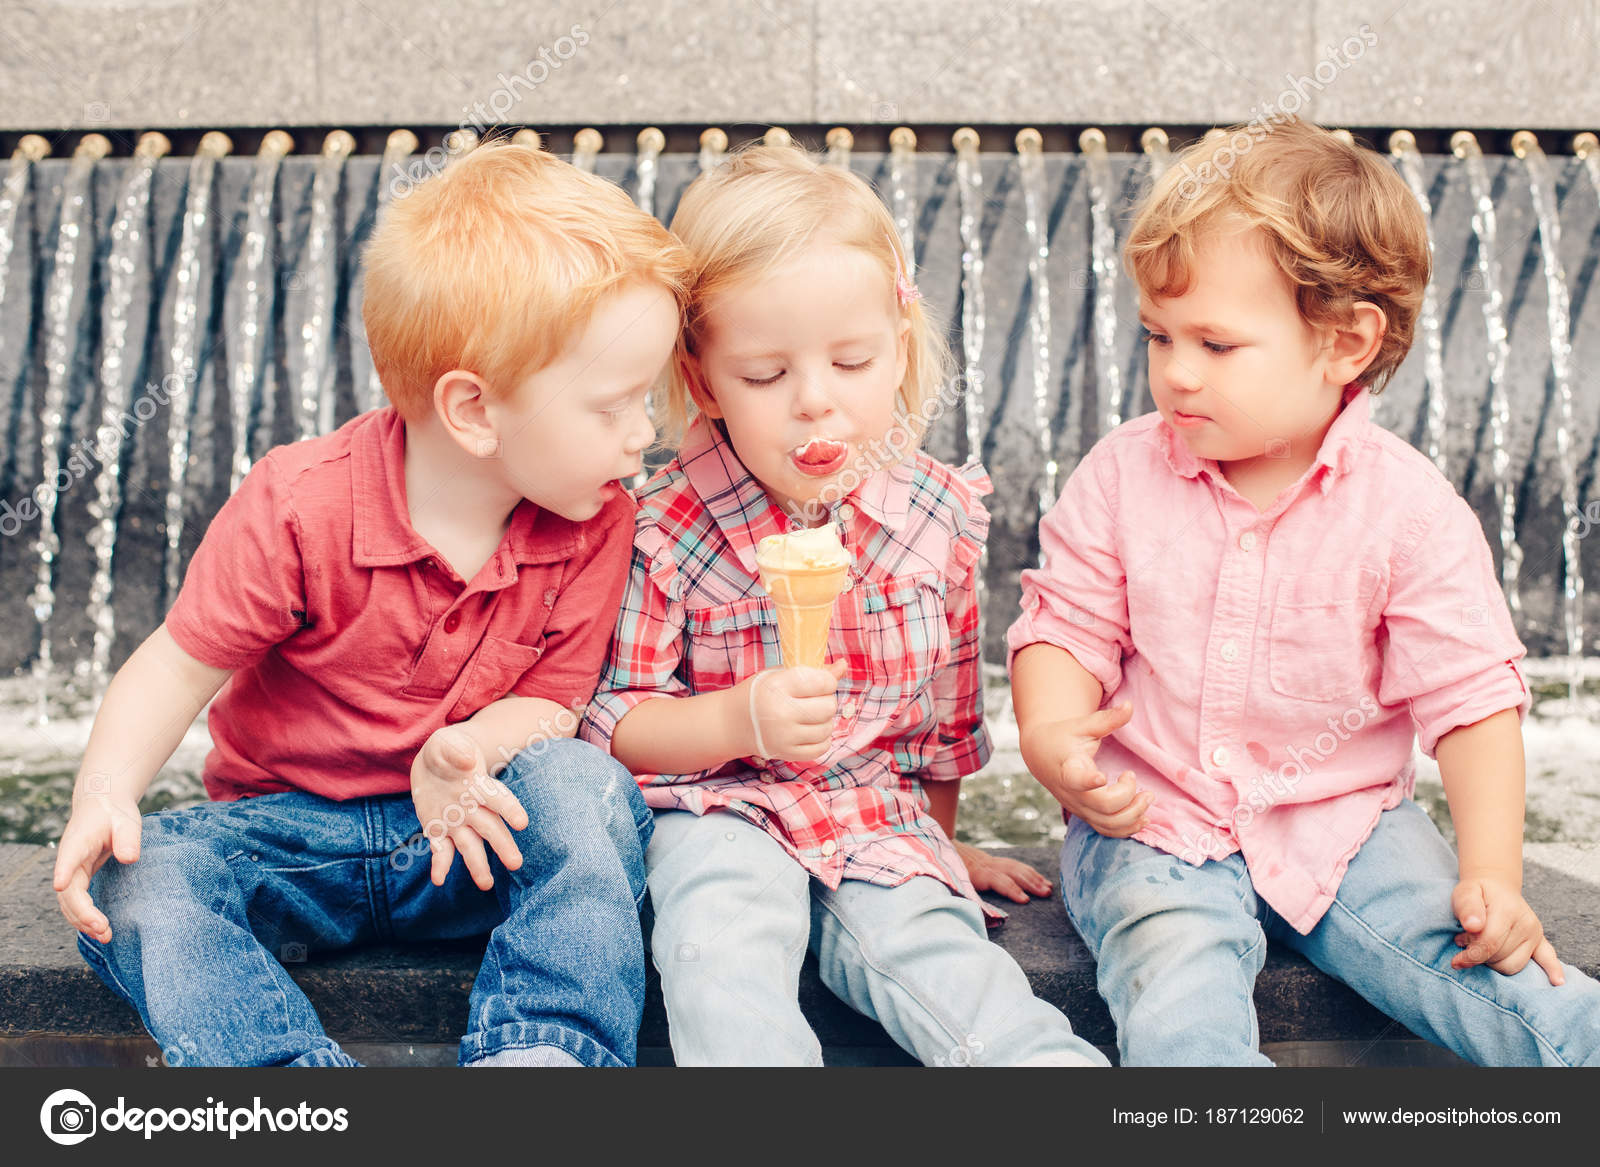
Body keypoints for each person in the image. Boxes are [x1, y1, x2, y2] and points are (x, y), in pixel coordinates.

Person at [52, 140, 692, 1067]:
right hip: (289, 837)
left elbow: (555, 704)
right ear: (475, 411)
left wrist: (468, 749)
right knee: (141, 878)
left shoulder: (595, 520)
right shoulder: (298, 506)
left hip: (475, 833)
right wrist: (105, 791)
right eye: (614, 406)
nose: (645, 435)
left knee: (584, 787)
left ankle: (545, 1053)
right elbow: (175, 667)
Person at [1009, 118, 1600, 1066]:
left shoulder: (1408, 509)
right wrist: (1050, 735)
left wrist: (1491, 873)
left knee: (1505, 981)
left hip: (1349, 824)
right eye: (1159, 335)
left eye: (1216, 343)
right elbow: (1065, 625)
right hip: (1153, 822)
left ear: (1346, 342)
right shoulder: (1120, 476)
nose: (1175, 372)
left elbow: (1471, 700)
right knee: (1177, 1001)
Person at [580, 144, 1107, 1067]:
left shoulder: (938, 515)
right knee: (719, 951)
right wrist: (736, 720)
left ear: (898, 346)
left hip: (876, 814)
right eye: (765, 375)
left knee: (952, 968)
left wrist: (943, 840)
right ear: (703, 380)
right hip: (716, 809)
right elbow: (612, 724)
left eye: (852, 361)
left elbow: (945, 717)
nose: (815, 402)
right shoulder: (663, 526)